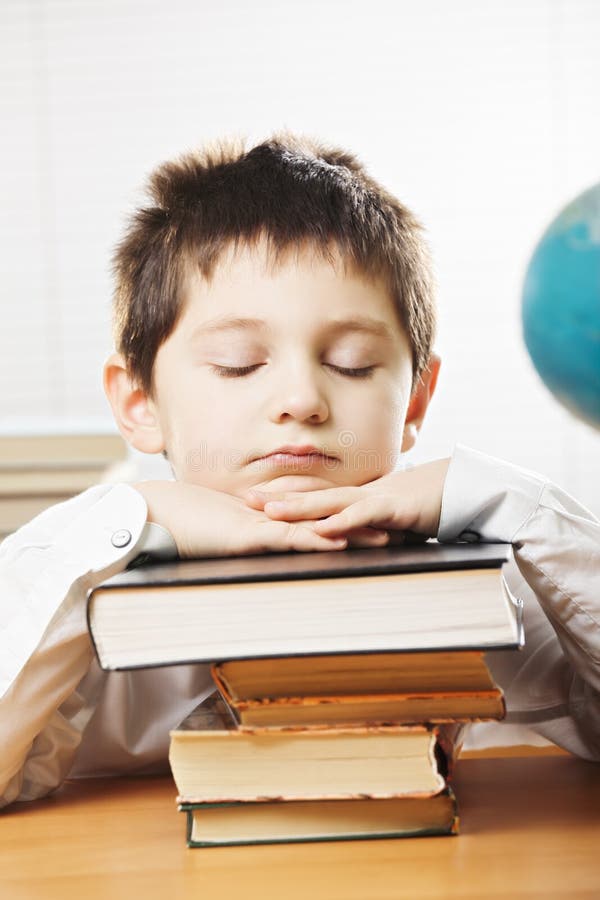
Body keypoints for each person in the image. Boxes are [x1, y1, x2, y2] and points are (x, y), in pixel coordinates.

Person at [1, 134, 599, 809]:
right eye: (237, 363)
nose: (302, 402)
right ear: (141, 404)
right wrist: (136, 513)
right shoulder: (85, 609)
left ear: (416, 401)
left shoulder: (475, 595)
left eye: (350, 364)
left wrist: (509, 503)